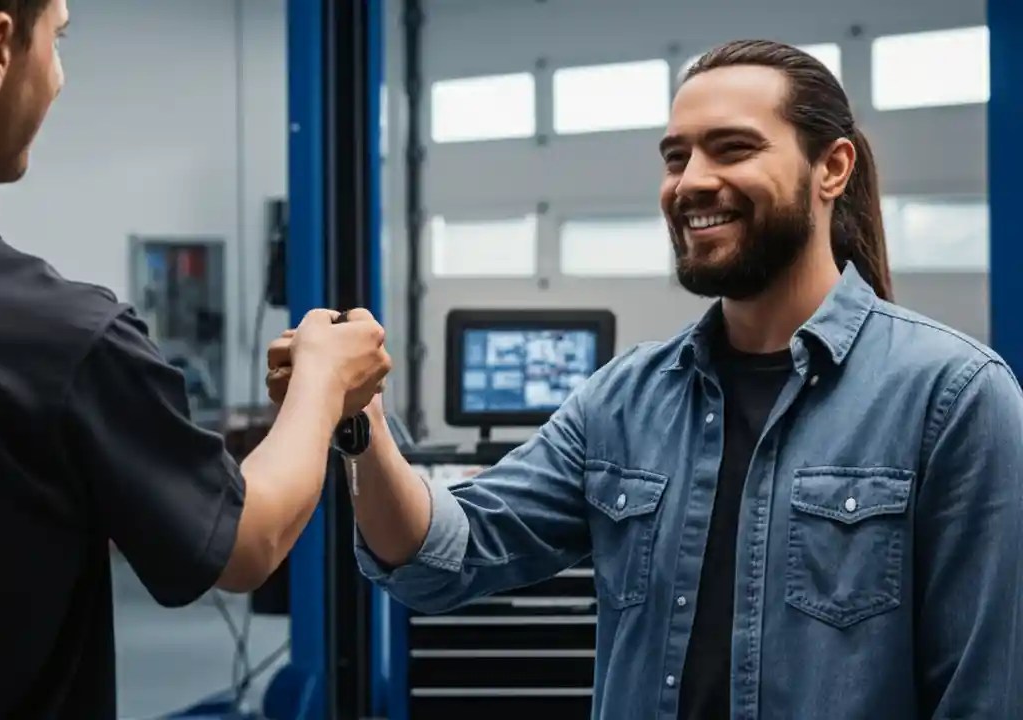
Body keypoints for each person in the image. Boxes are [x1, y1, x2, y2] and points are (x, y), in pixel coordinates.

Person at [270, 40, 1023, 719]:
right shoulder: (623, 401)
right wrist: (355, 423)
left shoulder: (952, 399)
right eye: (676, 156)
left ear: (832, 168)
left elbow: (984, 695)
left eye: (732, 149)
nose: (692, 182)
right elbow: (443, 558)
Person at [0, 1, 390, 718]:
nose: (57, 77)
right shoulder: (64, 337)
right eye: (58, 38)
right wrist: (324, 380)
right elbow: (245, 541)